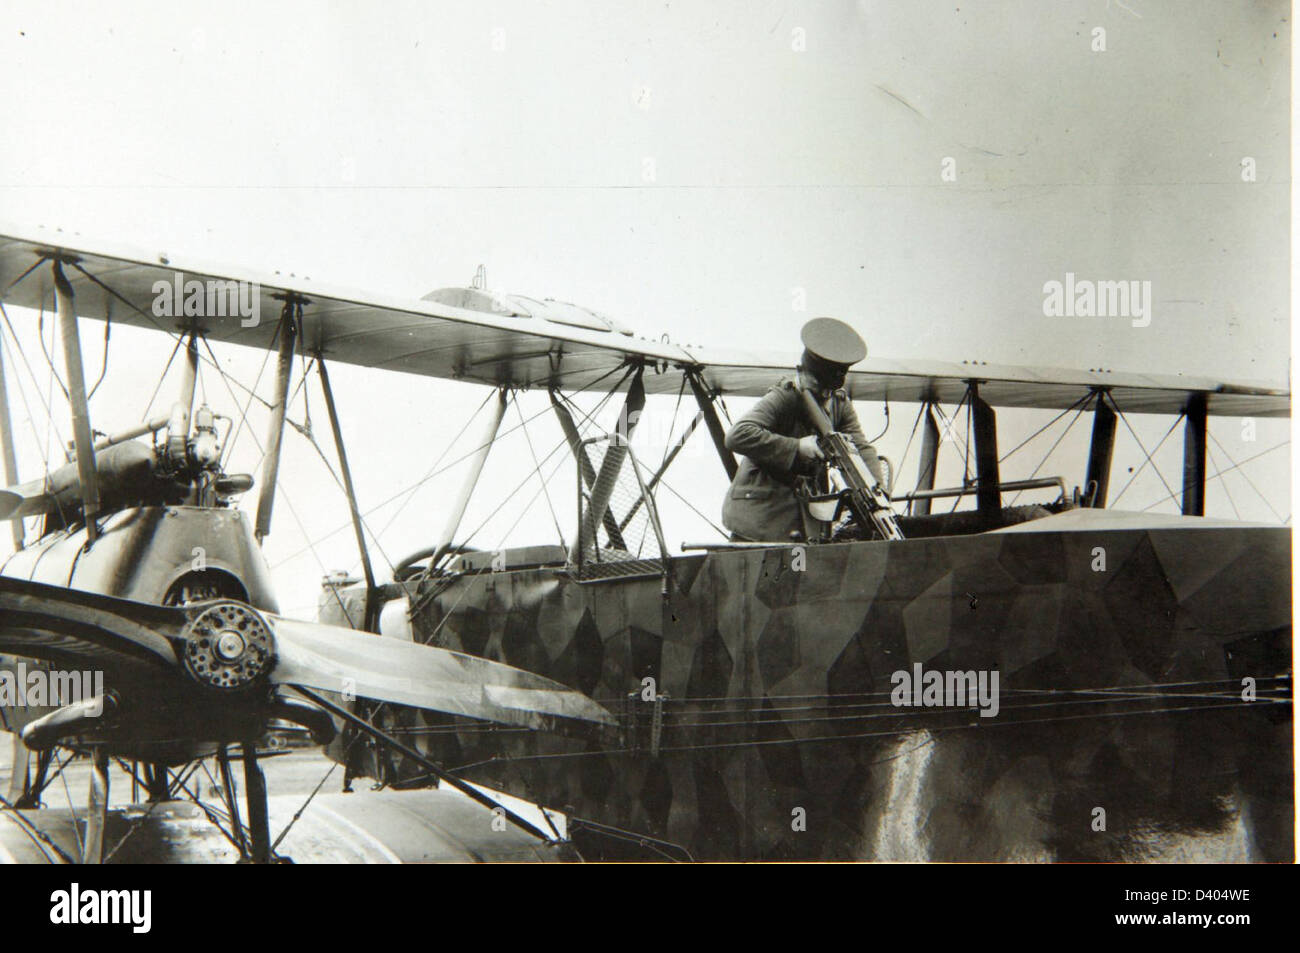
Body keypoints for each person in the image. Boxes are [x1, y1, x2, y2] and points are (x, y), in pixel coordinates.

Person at [721, 317, 886, 542]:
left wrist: (878, 491)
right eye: (818, 388)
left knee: (801, 568)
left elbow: (860, 447)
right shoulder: (785, 395)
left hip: (803, 522)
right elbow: (737, 435)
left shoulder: (839, 403)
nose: (823, 396)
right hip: (760, 517)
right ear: (804, 373)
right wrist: (797, 446)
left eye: (827, 391)